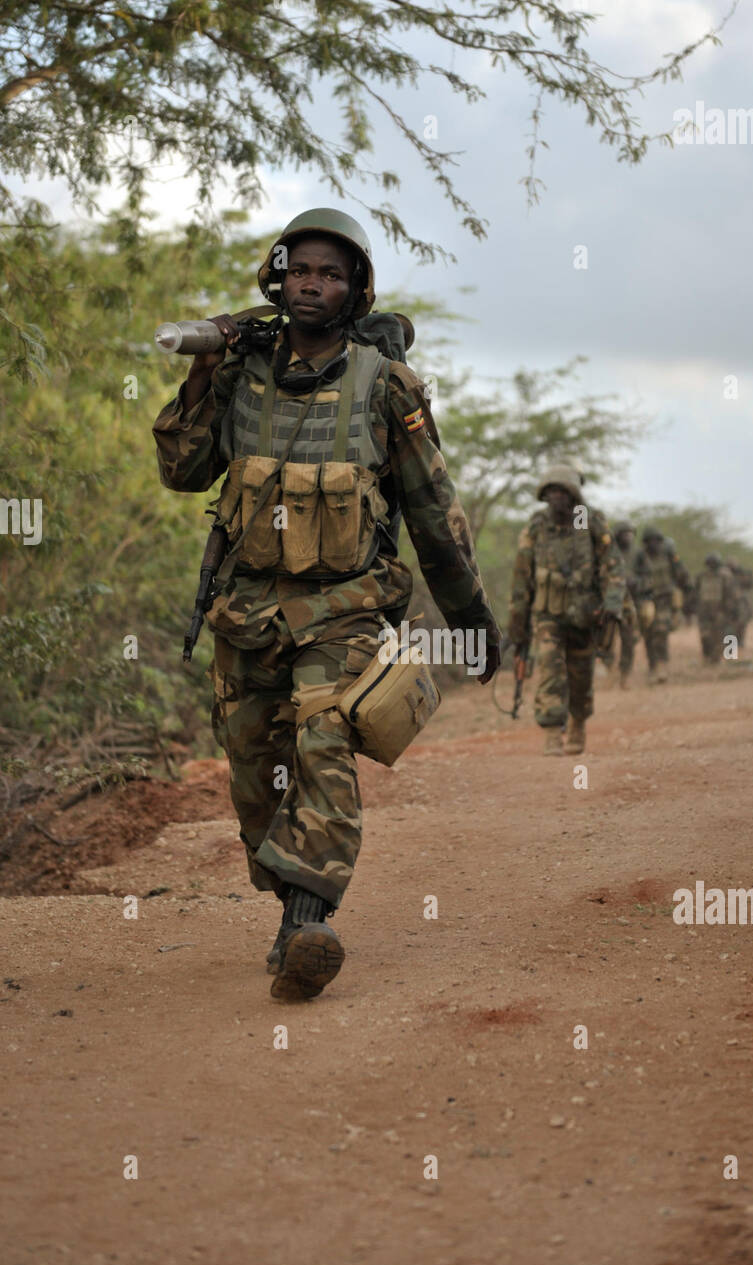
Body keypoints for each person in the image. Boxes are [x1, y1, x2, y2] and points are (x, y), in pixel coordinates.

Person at [153, 208, 501, 1000]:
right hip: (246, 611)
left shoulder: (386, 385)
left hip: (344, 606)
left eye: (331, 273)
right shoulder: (241, 371)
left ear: (355, 290)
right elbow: (183, 472)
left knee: (323, 740)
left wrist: (472, 621)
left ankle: (306, 924)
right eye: (300, 269)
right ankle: (292, 906)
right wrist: (201, 375)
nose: (312, 283)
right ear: (278, 276)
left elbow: (431, 510)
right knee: (257, 775)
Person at [507, 466, 625, 755]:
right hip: (548, 617)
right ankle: (551, 732)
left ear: (573, 495)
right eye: (552, 493)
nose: (557, 498)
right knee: (549, 668)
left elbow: (613, 567)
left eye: (563, 492)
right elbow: (522, 577)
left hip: (585, 616)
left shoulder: (590, 521)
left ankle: (578, 724)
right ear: (545, 496)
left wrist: (612, 603)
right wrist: (517, 625)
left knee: (580, 676)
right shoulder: (536, 527)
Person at [632, 526, 692, 684]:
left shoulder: (669, 554)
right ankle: (653, 666)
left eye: (656, 541)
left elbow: (681, 573)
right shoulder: (640, 556)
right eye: (649, 541)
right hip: (646, 599)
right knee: (648, 634)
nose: (653, 544)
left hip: (665, 599)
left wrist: (686, 588)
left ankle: (662, 665)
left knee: (661, 631)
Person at [695, 553, 737, 664]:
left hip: (720, 610)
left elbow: (730, 594)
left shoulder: (725, 576)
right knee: (706, 635)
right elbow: (696, 592)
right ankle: (708, 656)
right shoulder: (702, 576)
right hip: (705, 610)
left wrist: (730, 609)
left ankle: (717, 657)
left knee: (720, 634)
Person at [612, 519, 639, 689]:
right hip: (608, 602)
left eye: (630, 534)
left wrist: (637, 582)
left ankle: (625, 674)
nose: (628, 537)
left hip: (630, 603)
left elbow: (647, 575)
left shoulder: (638, 554)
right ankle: (607, 669)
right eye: (624, 534)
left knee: (628, 640)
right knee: (603, 639)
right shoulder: (608, 552)